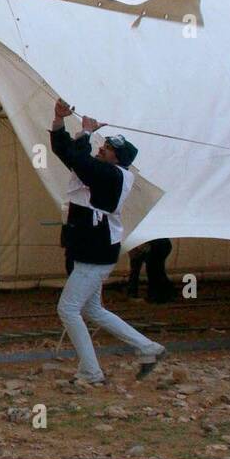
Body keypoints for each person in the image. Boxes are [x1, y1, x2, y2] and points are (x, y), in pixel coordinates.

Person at [50, 99, 165, 384]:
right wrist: (59, 121)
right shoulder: (100, 170)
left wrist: (86, 132)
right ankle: (148, 348)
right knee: (92, 309)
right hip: (91, 249)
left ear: (118, 159)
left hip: (95, 252)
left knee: (68, 309)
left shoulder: (112, 175)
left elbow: (79, 158)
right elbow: (67, 152)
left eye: (108, 149)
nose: (102, 149)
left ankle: (91, 371)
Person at [127, 238, 176, 303]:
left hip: (157, 244)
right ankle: (162, 294)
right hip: (158, 244)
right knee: (155, 270)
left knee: (154, 270)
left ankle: (159, 295)